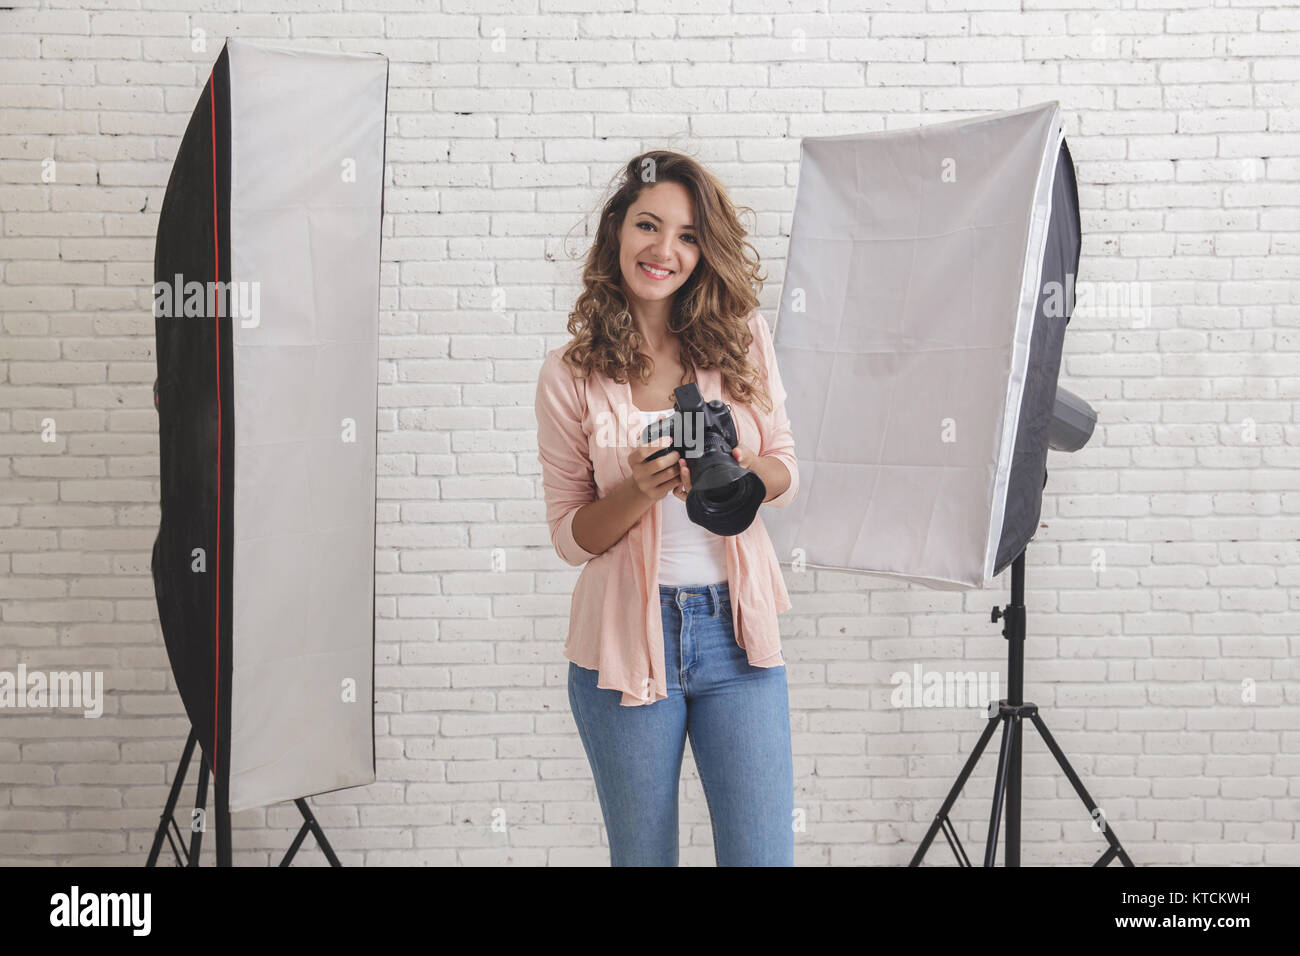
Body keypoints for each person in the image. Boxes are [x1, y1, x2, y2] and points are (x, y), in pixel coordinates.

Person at [534, 150, 799, 866]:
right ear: (617, 229)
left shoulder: (741, 339)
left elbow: (786, 464)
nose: (664, 250)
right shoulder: (571, 373)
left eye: (687, 235)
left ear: (704, 250)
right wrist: (639, 489)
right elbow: (570, 536)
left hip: (737, 635)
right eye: (648, 225)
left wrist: (742, 475)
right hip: (625, 641)